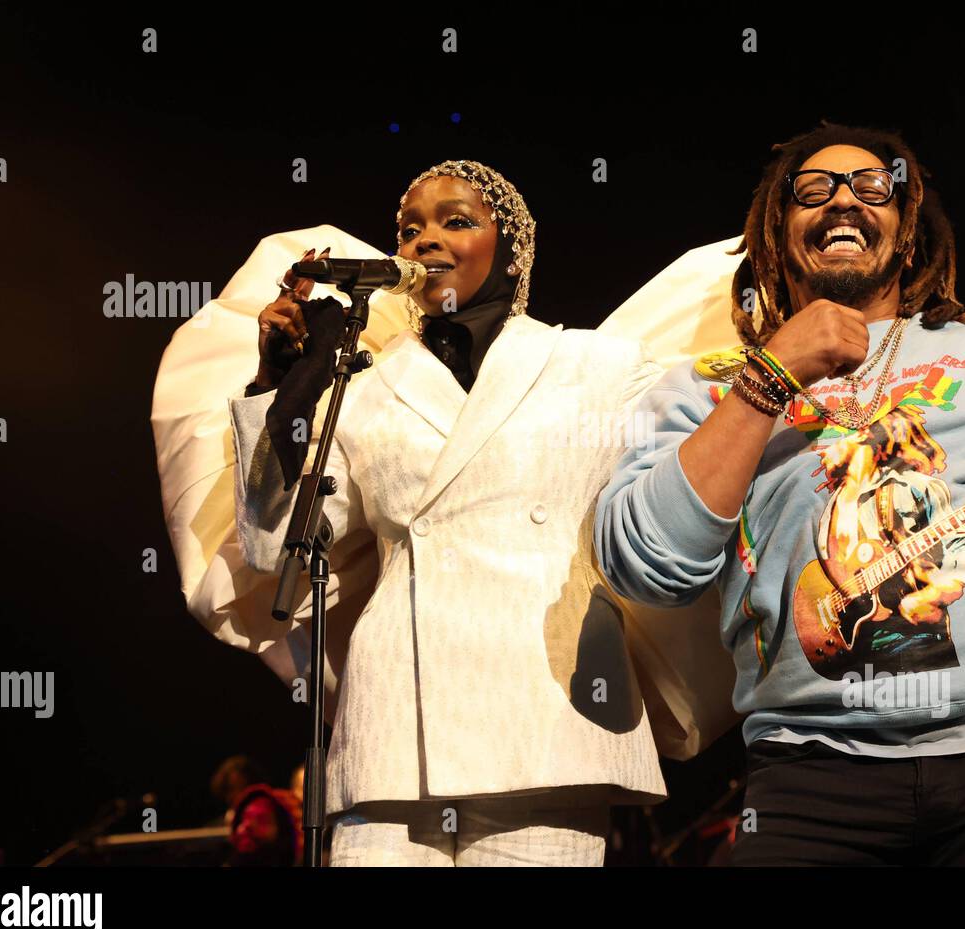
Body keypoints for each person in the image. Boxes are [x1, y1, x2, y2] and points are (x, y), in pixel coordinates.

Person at [594, 122, 965, 865]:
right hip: (804, 776)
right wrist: (772, 373)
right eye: (813, 191)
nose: (843, 199)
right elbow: (646, 563)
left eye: (872, 187)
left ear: (907, 235)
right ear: (777, 238)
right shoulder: (708, 388)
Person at [229, 160, 667, 866]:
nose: (427, 239)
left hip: (545, 716)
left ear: (512, 249)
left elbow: (691, 467)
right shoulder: (363, 387)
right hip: (395, 728)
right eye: (410, 229)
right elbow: (275, 548)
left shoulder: (598, 367)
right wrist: (278, 386)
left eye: (456, 221)